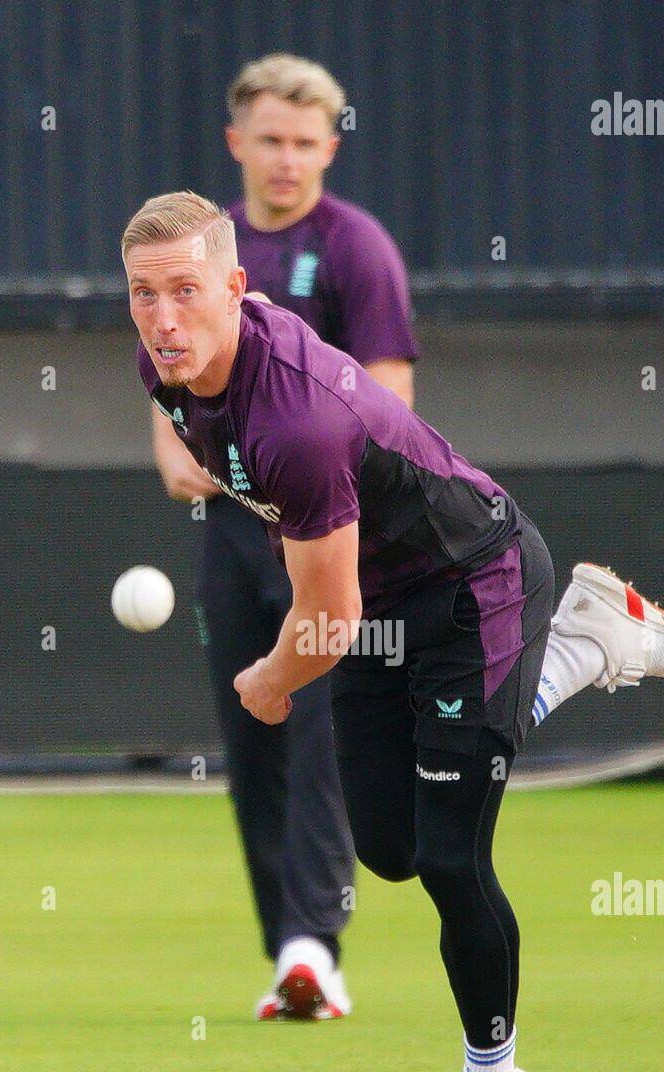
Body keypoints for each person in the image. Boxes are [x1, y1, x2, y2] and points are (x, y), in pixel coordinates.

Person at [123, 193, 664, 1072]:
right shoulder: (169, 366)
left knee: (452, 858)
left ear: (237, 288)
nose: (165, 318)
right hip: (385, 595)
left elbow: (324, 615)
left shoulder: (298, 422)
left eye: (187, 291)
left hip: (469, 580)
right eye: (144, 295)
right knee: (390, 850)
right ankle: (589, 642)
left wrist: (269, 680)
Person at [151, 54, 418, 1022]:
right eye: (269, 139)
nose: (286, 159)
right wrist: (173, 454)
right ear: (237, 143)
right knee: (247, 729)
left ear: (330, 147)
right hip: (230, 536)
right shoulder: (200, 250)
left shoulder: (357, 250)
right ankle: (289, 954)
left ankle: (316, 940)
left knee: (319, 730)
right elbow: (166, 374)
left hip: (324, 531)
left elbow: (391, 410)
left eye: (306, 142)